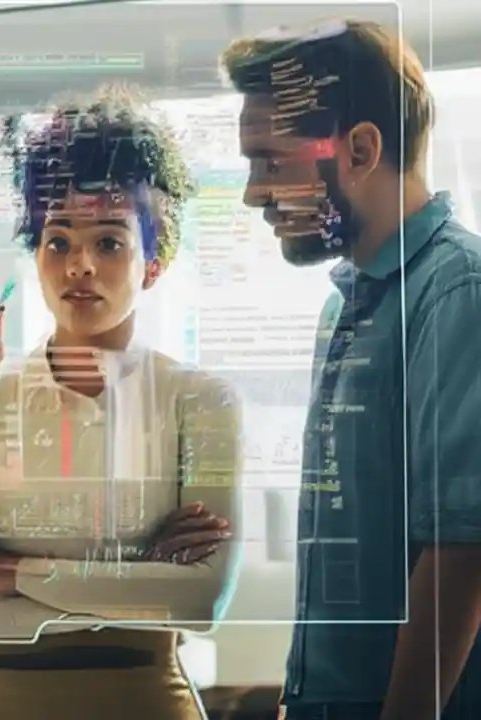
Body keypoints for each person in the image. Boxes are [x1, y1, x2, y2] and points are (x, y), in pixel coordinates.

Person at [0, 86, 245, 720]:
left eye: (110, 242)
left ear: (153, 262)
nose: (79, 266)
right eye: (58, 240)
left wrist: (15, 574)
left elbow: (199, 599)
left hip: (142, 695)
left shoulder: (199, 398)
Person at [221, 19, 481, 720]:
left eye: (271, 161)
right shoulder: (347, 309)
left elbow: (461, 553)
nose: (253, 193)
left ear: (361, 149)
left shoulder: (459, 291)